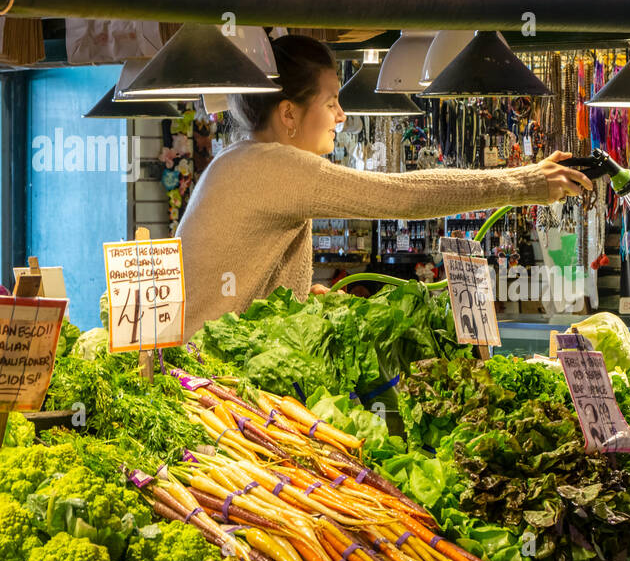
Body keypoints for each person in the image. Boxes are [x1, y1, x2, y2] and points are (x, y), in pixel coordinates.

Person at [176, 35, 592, 337]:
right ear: (288, 114)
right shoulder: (272, 164)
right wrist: (523, 181)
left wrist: (303, 297)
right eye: (330, 102)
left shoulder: (238, 161)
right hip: (206, 381)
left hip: (200, 371)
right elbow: (403, 196)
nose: (341, 115)